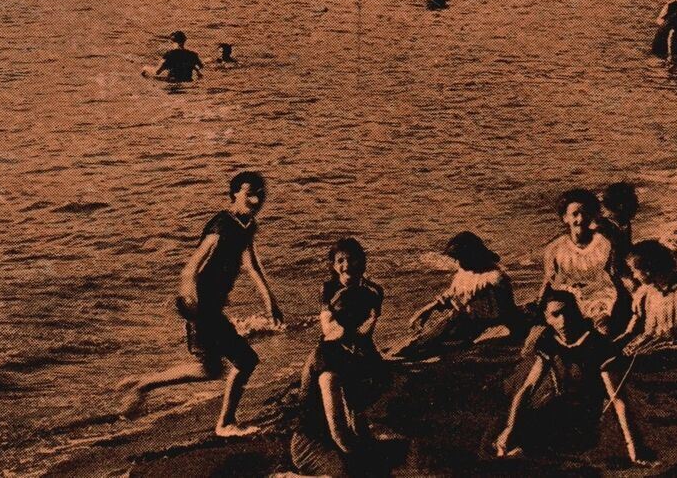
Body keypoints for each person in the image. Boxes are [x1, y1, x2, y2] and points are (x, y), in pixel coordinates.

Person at [118, 172, 283, 438]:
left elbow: (251, 265)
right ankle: (225, 423)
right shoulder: (222, 225)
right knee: (245, 361)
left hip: (212, 309)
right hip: (202, 308)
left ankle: (143, 383)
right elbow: (191, 266)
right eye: (250, 192)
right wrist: (190, 299)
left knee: (211, 369)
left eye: (261, 192)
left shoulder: (247, 225)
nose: (257, 197)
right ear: (235, 195)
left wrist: (270, 301)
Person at [491, 289, 650, 464]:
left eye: (568, 313)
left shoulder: (597, 345)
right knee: (503, 435)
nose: (563, 321)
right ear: (546, 318)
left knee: (525, 453)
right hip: (555, 410)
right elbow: (528, 387)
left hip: (583, 419)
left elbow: (618, 400)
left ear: (577, 313)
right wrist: (509, 428)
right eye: (555, 315)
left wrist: (633, 447)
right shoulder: (550, 341)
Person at [289, 286, 393, 477]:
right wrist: (358, 454)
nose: (374, 317)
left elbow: (355, 407)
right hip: (311, 442)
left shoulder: (350, 343)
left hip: (335, 435)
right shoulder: (328, 361)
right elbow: (337, 430)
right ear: (362, 318)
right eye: (371, 314)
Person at [389, 232, 522, 360]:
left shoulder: (494, 278)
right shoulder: (466, 269)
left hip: (484, 321)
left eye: (460, 258)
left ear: (472, 256)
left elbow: (504, 309)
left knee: (436, 344)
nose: (457, 262)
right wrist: (429, 308)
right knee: (421, 343)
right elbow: (453, 292)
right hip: (464, 316)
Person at [538, 189, 626, 333]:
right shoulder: (554, 248)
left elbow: (615, 274)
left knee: (603, 330)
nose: (580, 219)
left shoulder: (604, 243)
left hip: (599, 296)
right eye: (574, 214)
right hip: (567, 298)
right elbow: (548, 280)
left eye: (585, 214)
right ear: (565, 217)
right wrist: (539, 305)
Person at [613, 240, 677, 356]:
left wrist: (663, 349)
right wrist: (615, 343)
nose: (634, 276)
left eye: (635, 271)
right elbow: (631, 330)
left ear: (648, 270)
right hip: (650, 345)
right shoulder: (644, 292)